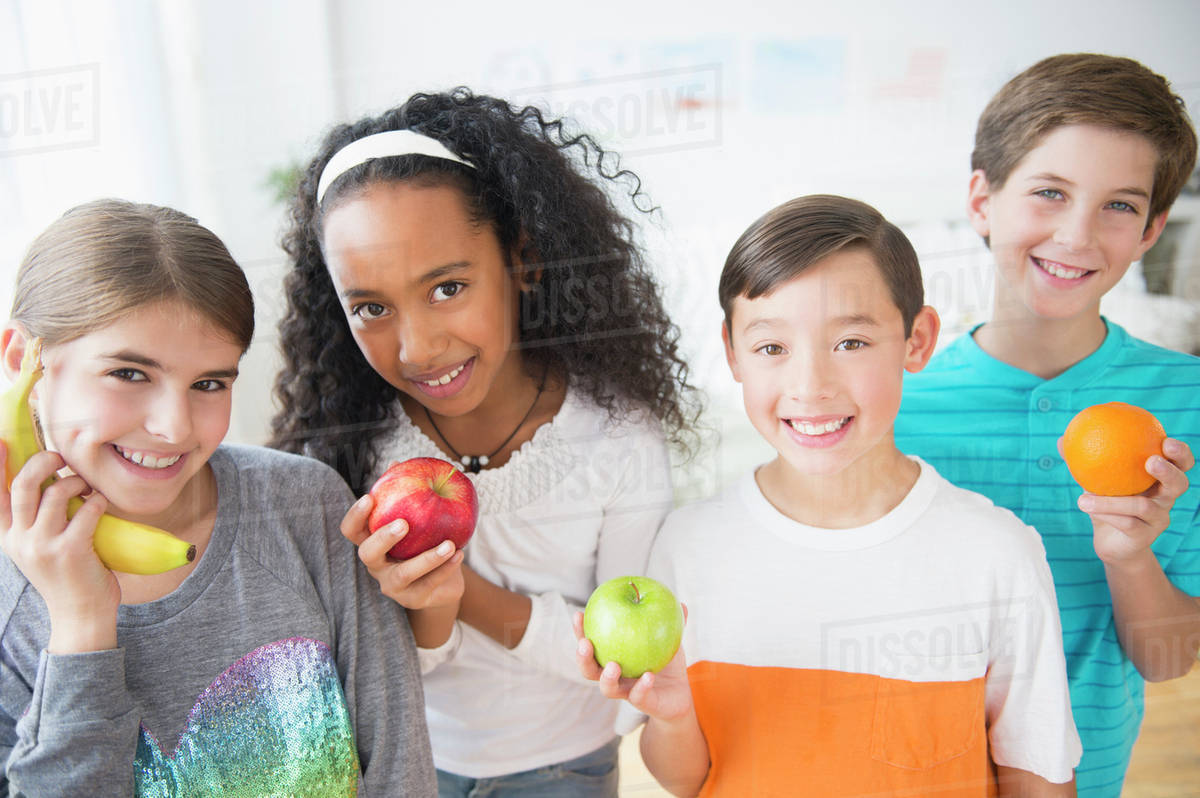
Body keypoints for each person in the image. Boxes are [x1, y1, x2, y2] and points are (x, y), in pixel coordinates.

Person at [577, 195, 1082, 797]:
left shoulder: (999, 556)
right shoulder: (688, 547)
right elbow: (687, 780)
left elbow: (1038, 778)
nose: (810, 386)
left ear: (917, 340)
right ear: (734, 352)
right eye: (772, 348)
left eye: (851, 343)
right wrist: (674, 713)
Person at [269, 88, 695, 796]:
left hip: (567, 769)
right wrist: (423, 610)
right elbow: (375, 671)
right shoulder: (350, 450)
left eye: (447, 288)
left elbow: (618, 655)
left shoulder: (616, 437)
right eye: (371, 307)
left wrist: (461, 592)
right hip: (405, 761)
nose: (419, 346)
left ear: (521, 260)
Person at [0, 199, 435, 796]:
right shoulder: (8, 602)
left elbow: (397, 763)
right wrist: (79, 628)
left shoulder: (302, 503)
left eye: (208, 384)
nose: (175, 428)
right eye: (129, 374)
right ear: (25, 361)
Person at [893, 53, 1200, 797]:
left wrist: (1130, 554)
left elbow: (1167, 662)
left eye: (1119, 206)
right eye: (1049, 193)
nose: (1076, 235)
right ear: (982, 199)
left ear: (1153, 228)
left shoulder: (1185, 399)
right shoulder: (898, 403)